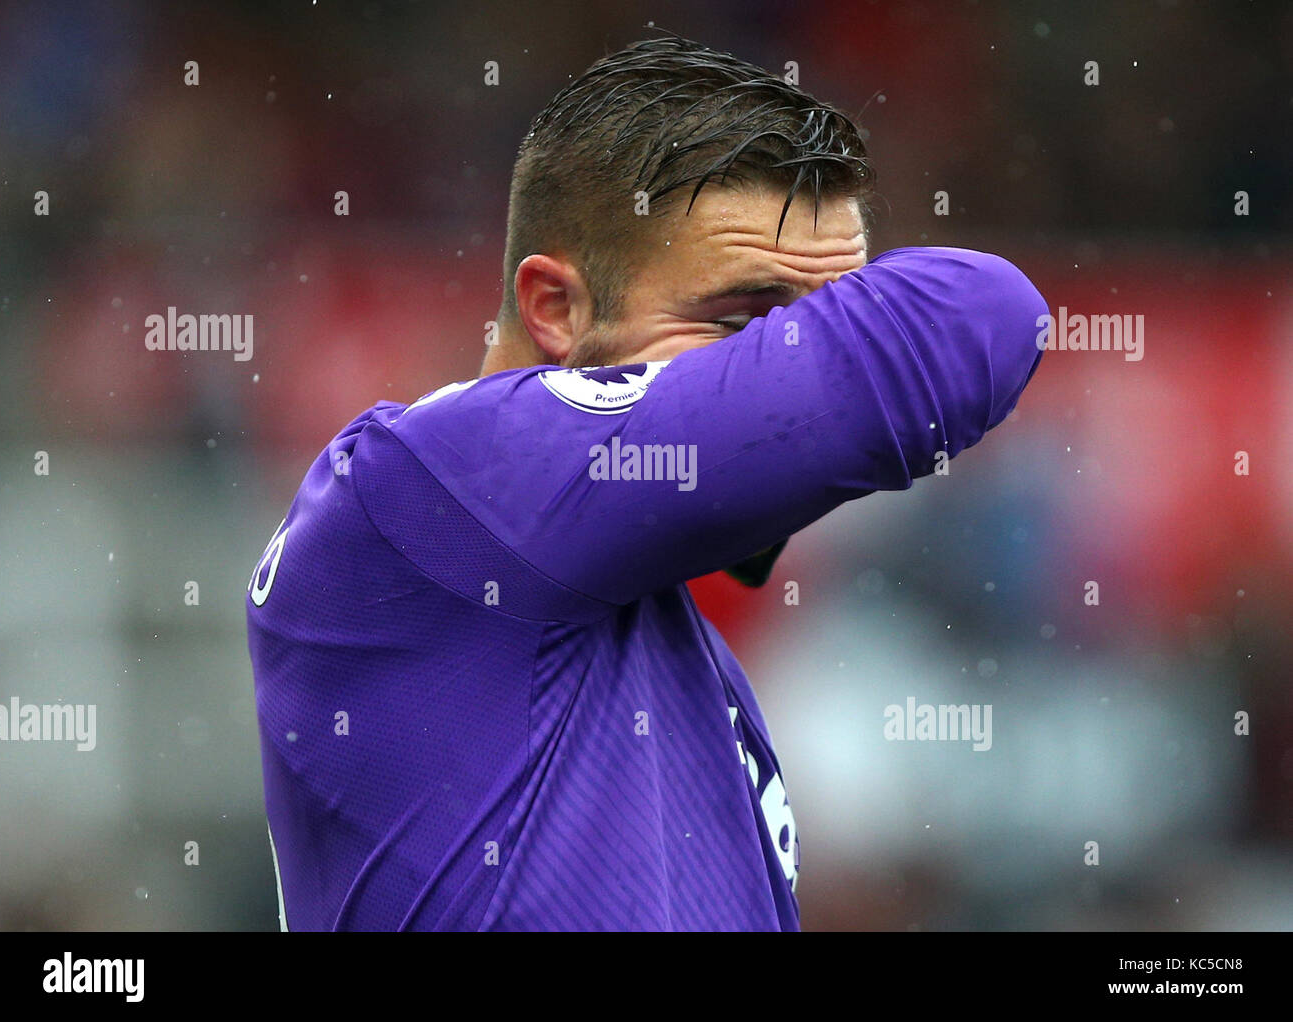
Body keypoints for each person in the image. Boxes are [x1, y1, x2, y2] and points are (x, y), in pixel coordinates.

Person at [246, 34, 1047, 931]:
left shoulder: (674, 647)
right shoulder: (430, 477)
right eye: (747, 319)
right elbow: (983, 314)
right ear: (557, 309)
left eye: (822, 323)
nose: (788, 371)